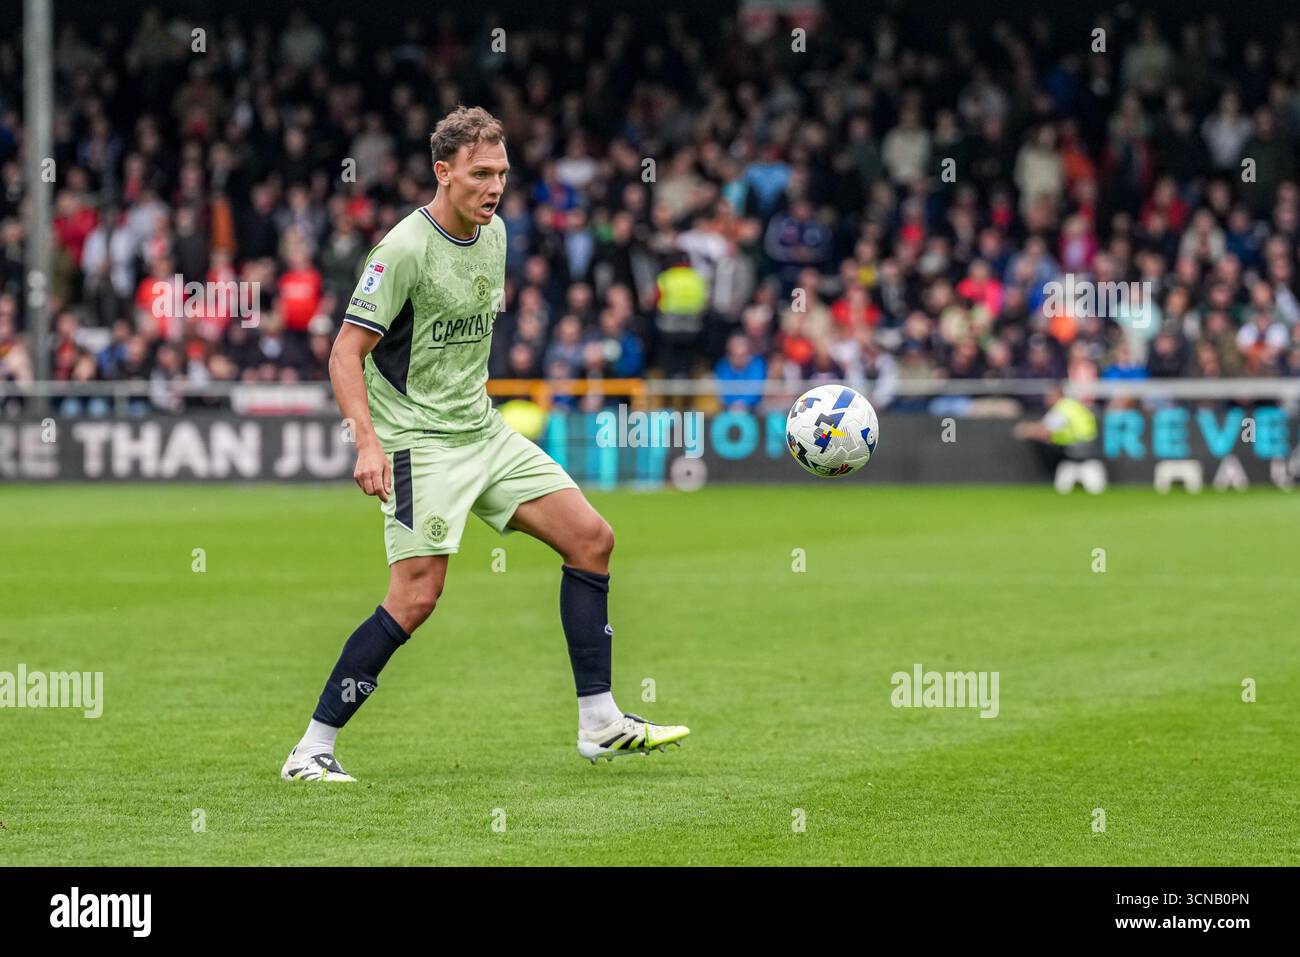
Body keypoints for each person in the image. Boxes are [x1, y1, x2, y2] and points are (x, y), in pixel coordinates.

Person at [280, 107, 688, 782]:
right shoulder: (402, 250)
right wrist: (367, 443)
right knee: (415, 597)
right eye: (480, 174)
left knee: (592, 538)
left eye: (501, 172)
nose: (494, 185)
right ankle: (311, 749)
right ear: (443, 173)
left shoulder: (494, 233)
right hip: (420, 443)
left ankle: (600, 721)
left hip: (484, 431)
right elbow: (345, 353)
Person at [1012, 383, 1098, 477]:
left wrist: (1026, 430)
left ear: (1058, 395)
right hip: (1090, 446)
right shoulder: (1072, 404)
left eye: (1049, 396)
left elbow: (1045, 430)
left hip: (1075, 447)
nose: (1046, 399)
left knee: (1043, 444)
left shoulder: (1062, 408)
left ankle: (1047, 477)